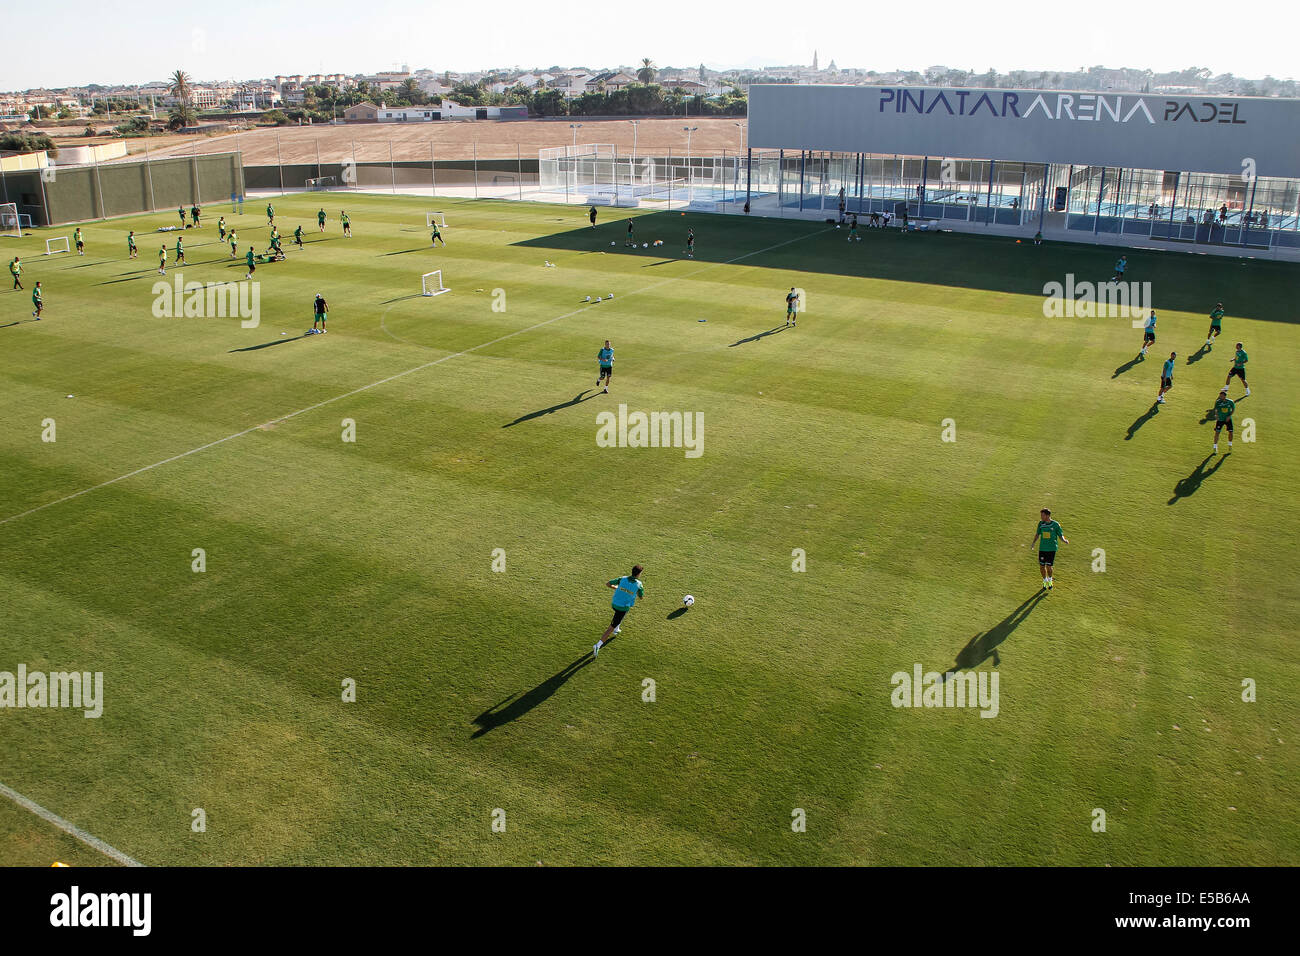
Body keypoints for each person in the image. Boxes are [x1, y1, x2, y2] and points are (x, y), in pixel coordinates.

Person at [593, 564, 644, 657]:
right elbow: (641, 597)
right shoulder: (639, 585)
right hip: (622, 608)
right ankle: (598, 645)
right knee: (610, 629)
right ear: (639, 574)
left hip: (614, 604)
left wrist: (616, 588)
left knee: (623, 612)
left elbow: (608, 584)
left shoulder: (622, 578)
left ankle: (616, 629)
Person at [1031, 509, 1068, 591]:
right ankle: (1045, 581)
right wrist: (1033, 543)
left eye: (1042, 515)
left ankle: (1050, 580)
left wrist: (1064, 540)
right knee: (1041, 566)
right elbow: (1037, 534)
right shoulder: (1041, 523)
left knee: (1048, 566)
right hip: (1042, 549)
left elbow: (1060, 535)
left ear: (1047, 516)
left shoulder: (1055, 525)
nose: (1041, 517)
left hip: (1051, 549)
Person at [1212, 388, 1235, 454]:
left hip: (1228, 419)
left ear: (1225, 396)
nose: (1220, 397)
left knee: (1231, 432)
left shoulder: (1230, 402)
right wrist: (1216, 415)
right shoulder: (1218, 402)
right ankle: (1215, 447)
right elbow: (1216, 409)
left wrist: (1229, 416)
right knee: (1217, 432)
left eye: (1221, 396)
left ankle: (1230, 445)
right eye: (1220, 396)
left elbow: (1233, 409)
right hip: (1220, 419)